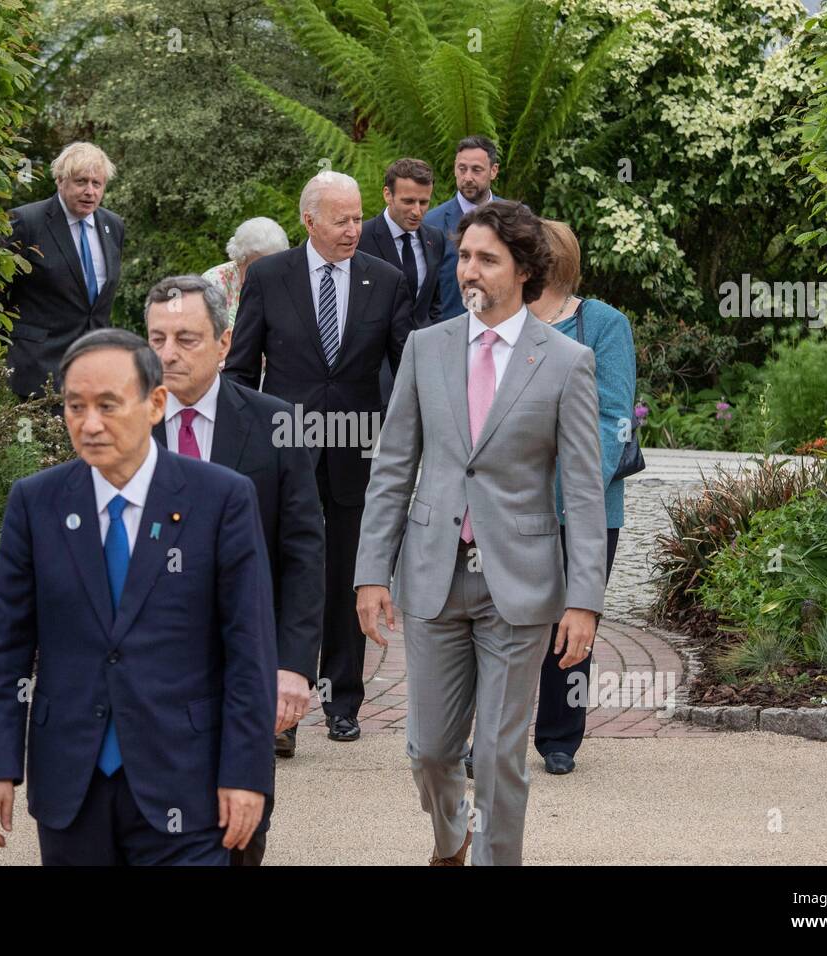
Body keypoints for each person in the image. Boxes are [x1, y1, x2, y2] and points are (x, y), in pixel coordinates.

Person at [354, 200, 607, 866]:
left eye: (487, 258)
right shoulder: (425, 348)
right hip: (433, 575)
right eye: (464, 255)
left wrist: (585, 599)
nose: (471, 268)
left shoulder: (566, 362)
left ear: (524, 271)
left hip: (519, 584)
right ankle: (450, 838)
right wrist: (370, 573)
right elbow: (392, 469)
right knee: (431, 751)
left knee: (498, 754)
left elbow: (583, 490)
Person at [0, 328, 278, 865]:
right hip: (73, 787)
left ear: (156, 404)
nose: (89, 424)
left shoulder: (220, 500)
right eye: (75, 406)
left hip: (188, 786)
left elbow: (249, 653)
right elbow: (6, 648)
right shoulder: (36, 504)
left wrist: (246, 774)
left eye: (108, 405)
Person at [224, 170, 415, 743]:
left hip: (356, 449)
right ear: (308, 221)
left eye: (358, 218)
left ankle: (342, 701)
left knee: (349, 574)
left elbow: (407, 371)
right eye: (342, 220)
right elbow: (239, 370)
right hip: (285, 448)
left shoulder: (385, 280)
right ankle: (281, 709)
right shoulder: (270, 277)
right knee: (284, 573)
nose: (355, 229)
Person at [144, 274, 325, 864]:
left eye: (187, 339)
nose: (168, 353)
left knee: (239, 834)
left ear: (224, 343)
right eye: (157, 338)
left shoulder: (277, 424)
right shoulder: (121, 427)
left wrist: (293, 666)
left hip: (243, 668)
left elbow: (303, 552)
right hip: (145, 673)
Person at [525, 218, 635, 775]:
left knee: (573, 622)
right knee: (507, 623)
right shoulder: (503, 323)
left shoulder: (603, 324)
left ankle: (560, 737)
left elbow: (615, 415)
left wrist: (579, 485)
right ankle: (492, 734)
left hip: (585, 506)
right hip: (513, 504)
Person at [1, 142, 126, 400]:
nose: (89, 191)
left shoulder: (113, 226)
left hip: (96, 367)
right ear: (60, 180)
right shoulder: (26, 222)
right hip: (38, 369)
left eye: (97, 183)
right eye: (81, 181)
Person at [358, 158, 446, 406]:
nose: (417, 211)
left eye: (424, 202)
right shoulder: (360, 239)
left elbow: (432, 301)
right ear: (388, 194)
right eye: (408, 201)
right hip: (375, 368)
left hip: (424, 361)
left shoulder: (434, 239)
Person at [423, 136, 502, 323]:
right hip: (447, 335)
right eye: (462, 169)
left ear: (493, 171)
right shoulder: (430, 224)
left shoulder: (516, 218)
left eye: (476, 170)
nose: (467, 177)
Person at [202, 218, 290, 327]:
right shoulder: (214, 281)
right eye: (259, 265)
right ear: (240, 259)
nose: (266, 272)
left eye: (272, 264)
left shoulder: (288, 281)